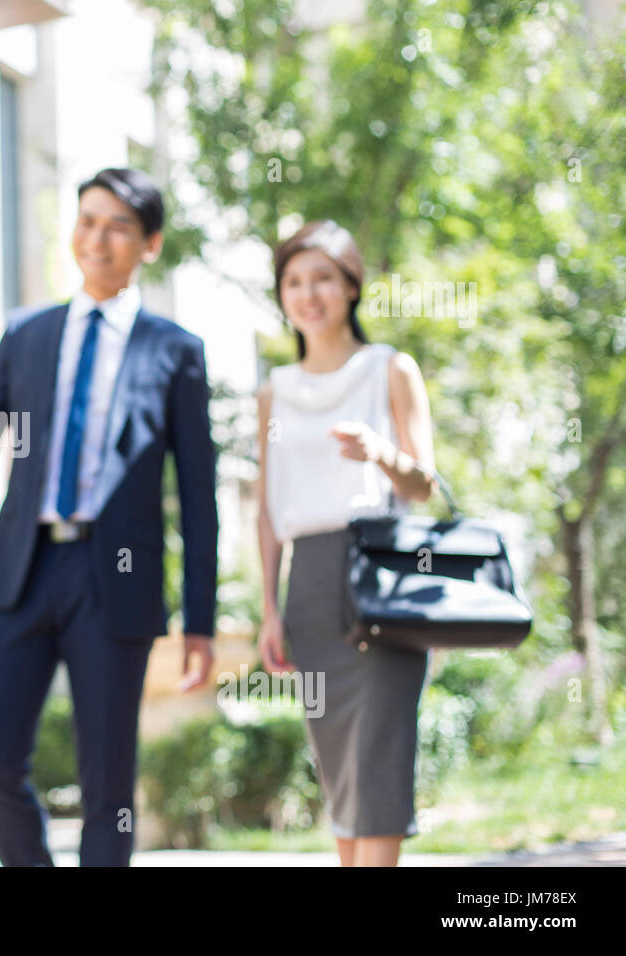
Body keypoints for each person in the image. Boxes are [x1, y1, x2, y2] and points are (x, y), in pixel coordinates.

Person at [0, 167, 219, 866]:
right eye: (87, 220)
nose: (97, 238)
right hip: (26, 567)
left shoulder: (175, 350)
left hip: (117, 579)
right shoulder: (28, 335)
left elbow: (199, 496)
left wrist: (200, 618)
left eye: (117, 226)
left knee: (108, 785)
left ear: (150, 244)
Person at [256, 219, 438, 867]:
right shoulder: (274, 389)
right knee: (336, 764)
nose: (309, 294)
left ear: (351, 285)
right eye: (295, 282)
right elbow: (269, 508)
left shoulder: (390, 368)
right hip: (308, 585)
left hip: (380, 579)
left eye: (324, 279)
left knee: (380, 762)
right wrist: (269, 610)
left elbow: (424, 484)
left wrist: (379, 452)